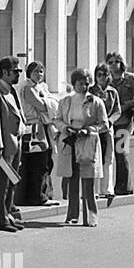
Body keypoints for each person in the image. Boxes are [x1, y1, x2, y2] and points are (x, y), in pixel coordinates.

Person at [54, 68, 110, 227]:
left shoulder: (95, 101)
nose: (84, 87)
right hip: (70, 142)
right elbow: (57, 120)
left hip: (87, 143)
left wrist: (89, 130)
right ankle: (72, 215)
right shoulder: (65, 101)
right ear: (74, 84)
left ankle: (90, 216)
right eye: (81, 83)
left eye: (87, 83)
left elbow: (104, 124)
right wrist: (65, 128)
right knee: (72, 179)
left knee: (88, 181)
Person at [0, 56, 28, 232]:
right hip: (4, 145)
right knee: (1, 183)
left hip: (15, 142)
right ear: (5, 72)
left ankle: (7, 213)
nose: (18, 74)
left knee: (11, 183)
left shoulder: (11, 90)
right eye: (15, 72)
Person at [16, 61, 60, 207]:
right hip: (34, 129)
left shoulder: (40, 87)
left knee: (46, 162)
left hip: (43, 128)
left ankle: (43, 193)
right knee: (38, 163)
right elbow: (42, 105)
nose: (39, 74)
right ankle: (37, 196)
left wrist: (48, 103)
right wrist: (48, 103)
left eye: (41, 71)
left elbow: (53, 104)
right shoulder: (28, 88)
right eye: (36, 71)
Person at [106, 52, 134, 196]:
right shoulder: (107, 80)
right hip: (111, 122)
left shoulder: (130, 79)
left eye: (116, 61)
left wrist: (126, 105)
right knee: (110, 154)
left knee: (121, 152)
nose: (113, 65)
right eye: (110, 62)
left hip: (125, 121)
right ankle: (111, 186)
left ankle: (124, 186)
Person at [91, 63, 122, 206]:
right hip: (95, 128)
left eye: (105, 75)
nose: (102, 78)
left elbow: (117, 110)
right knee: (96, 158)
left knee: (108, 158)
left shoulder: (112, 92)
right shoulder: (91, 91)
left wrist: (110, 121)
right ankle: (95, 189)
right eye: (99, 75)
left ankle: (107, 189)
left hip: (108, 128)